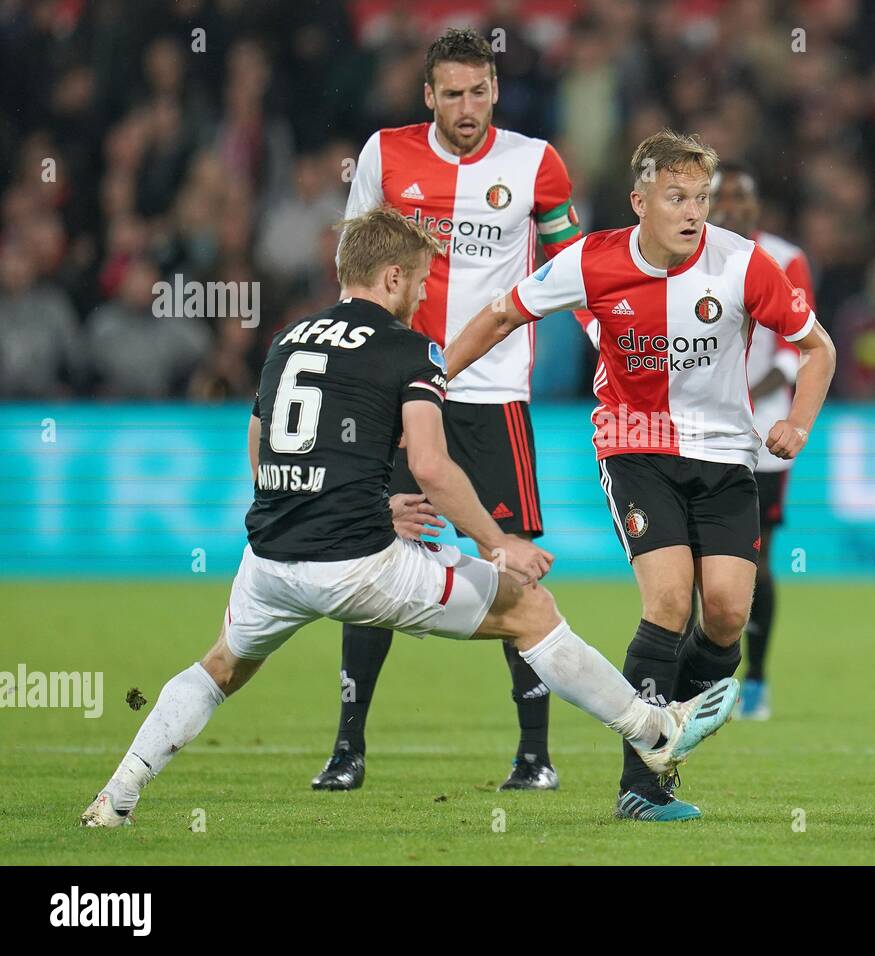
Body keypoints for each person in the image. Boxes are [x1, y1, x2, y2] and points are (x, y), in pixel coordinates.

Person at [80, 206, 738, 828]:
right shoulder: (409, 350)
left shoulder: (288, 339)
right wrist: (496, 540)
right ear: (392, 276)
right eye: (420, 282)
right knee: (528, 608)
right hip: (357, 565)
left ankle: (119, 793)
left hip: (270, 560)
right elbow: (430, 465)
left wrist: (328, 501)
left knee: (221, 665)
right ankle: (655, 731)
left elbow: (261, 440)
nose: (423, 296)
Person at [444, 130, 836, 821]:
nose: (693, 212)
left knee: (727, 615)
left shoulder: (742, 264)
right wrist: (432, 380)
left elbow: (817, 348)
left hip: (725, 455)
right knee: (668, 604)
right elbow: (505, 312)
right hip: (634, 447)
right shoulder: (592, 262)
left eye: (702, 199)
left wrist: (798, 424)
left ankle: (675, 724)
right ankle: (639, 785)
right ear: (640, 201)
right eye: (676, 197)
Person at [317, 28, 593, 793]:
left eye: (479, 92)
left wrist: (614, 342)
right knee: (373, 562)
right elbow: (354, 269)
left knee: (511, 562)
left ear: (495, 90)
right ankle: (348, 750)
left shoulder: (536, 162)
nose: (466, 108)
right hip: (400, 391)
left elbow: (573, 268)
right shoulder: (383, 154)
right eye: (452, 93)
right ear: (428, 95)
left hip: (494, 394)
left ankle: (534, 757)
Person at [708, 161, 817, 720]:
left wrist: (739, 394)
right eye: (720, 195)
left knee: (759, 557)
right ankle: (707, 680)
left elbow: (792, 352)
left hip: (765, 430)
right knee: (704, 561)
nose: (730, 205)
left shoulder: (785, 257)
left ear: (756, 207)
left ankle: (756, 680)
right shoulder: (692, 254)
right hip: (705, 426)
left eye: (740, 196)